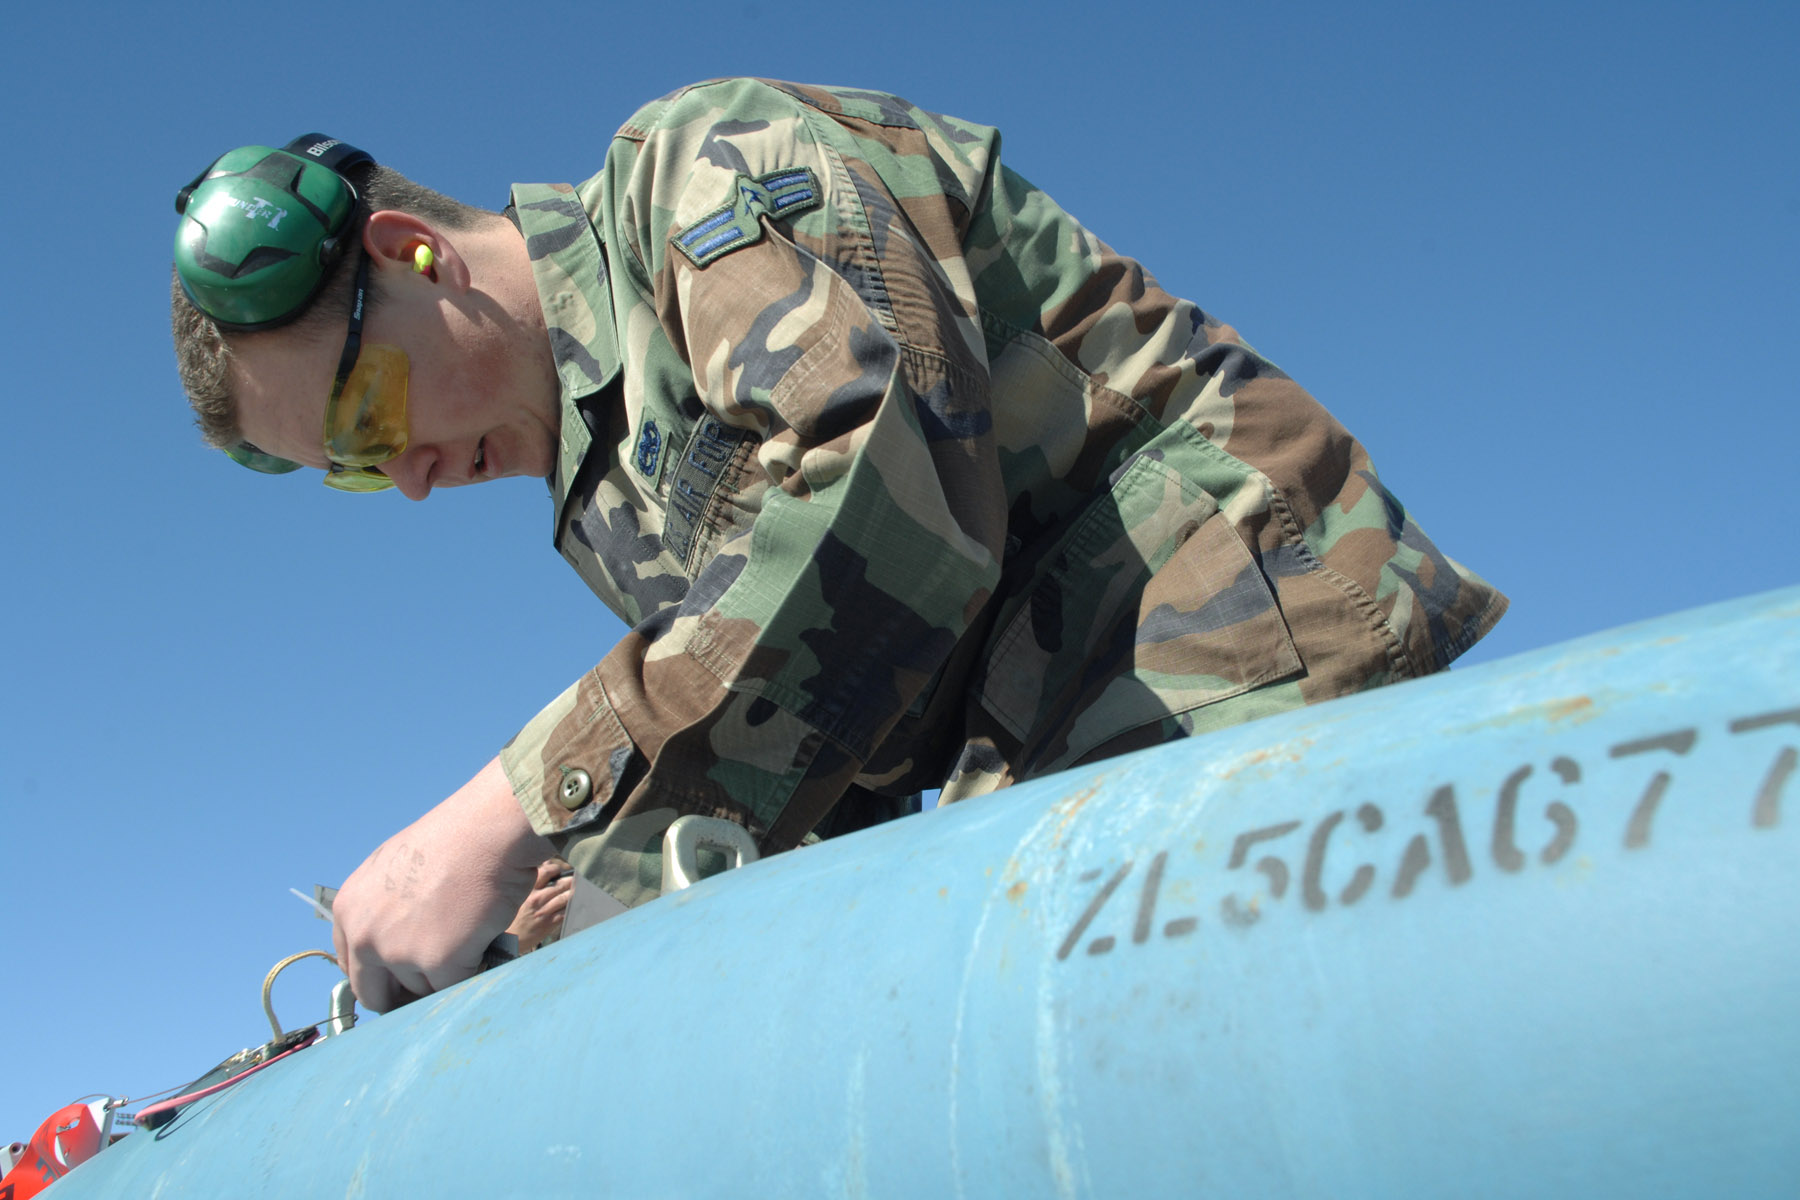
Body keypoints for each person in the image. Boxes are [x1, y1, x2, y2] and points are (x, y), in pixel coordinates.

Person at [170, 78, 1505, 1011]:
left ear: (415, 259)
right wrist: (561, 923)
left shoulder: (691, 168)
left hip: (1204, 610)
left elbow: (894, 481)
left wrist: (515, 804)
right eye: (346, 473)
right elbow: (811, 756)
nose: (396, 478)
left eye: (364, 414)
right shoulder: (601, 503)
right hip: (1036, 746)